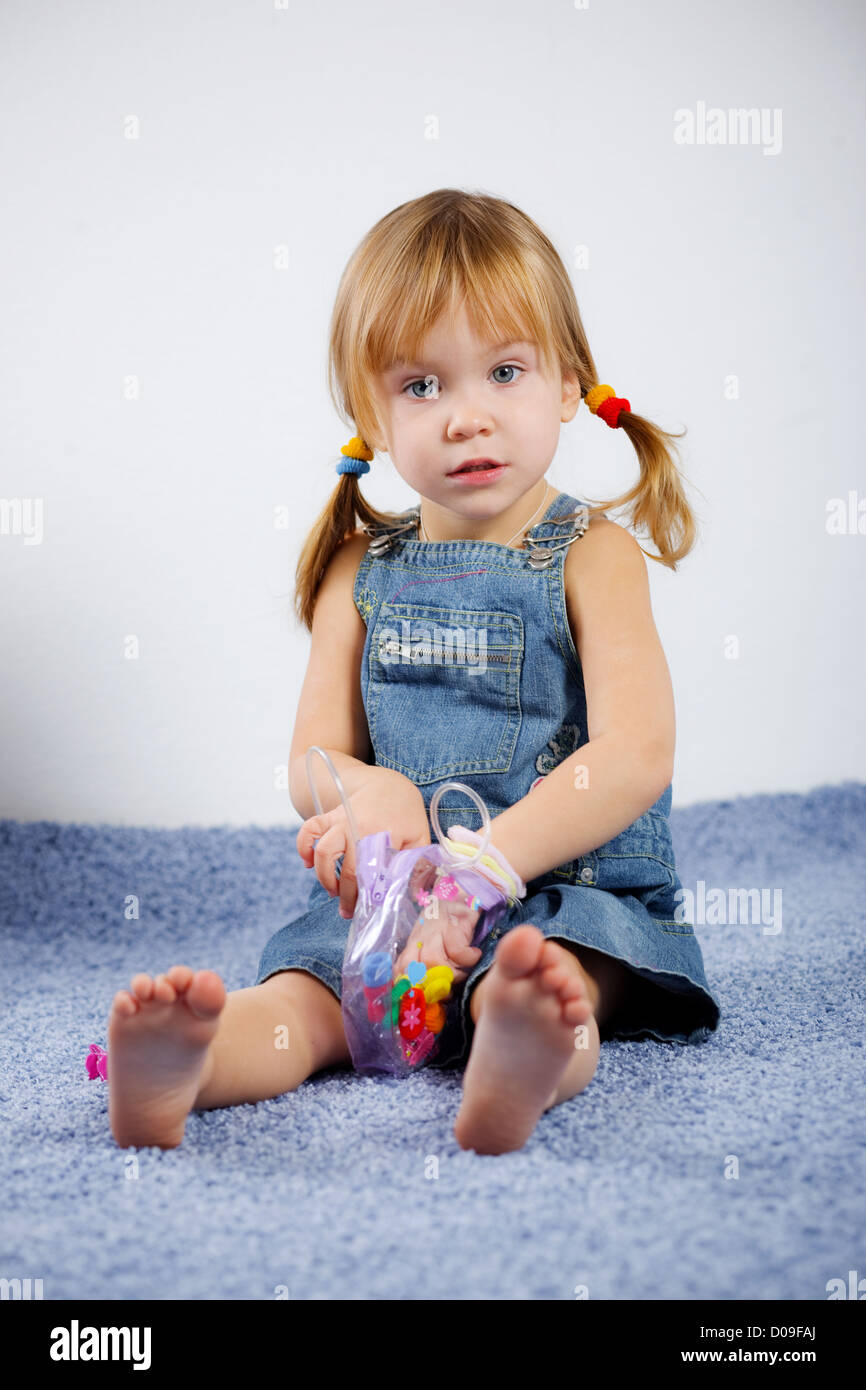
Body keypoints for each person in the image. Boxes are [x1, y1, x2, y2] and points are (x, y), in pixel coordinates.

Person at [106, 188, 721, 1156]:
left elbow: (635, 753)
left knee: (548, 971)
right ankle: (194, 1060)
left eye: (503, 371)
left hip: (565, 891)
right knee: (303, 1000)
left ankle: (518, 1053)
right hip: (394, 906)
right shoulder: (358, 570)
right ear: (370, 413)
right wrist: (363, 792)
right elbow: (308, 761)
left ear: (567, 385)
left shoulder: (590, 553)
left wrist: (485, 867)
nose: (464, 418)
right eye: (420, 386)